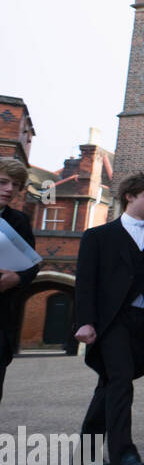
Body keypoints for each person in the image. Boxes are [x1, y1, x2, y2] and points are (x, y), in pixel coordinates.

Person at [72, 173, 144, 465]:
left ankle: (85, 454)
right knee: (121, 381)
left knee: (111, 383)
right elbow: (86, 283)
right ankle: (124, 454)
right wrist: (84, 321)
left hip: (141, 322)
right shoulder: (98, 237)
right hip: (110, 322)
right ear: (129, 197)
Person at [0, 159, 39, 402]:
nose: (9, 189)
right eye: (3, 182)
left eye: (15, 184)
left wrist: (17, 277)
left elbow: (32, 265)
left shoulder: (20, 221)